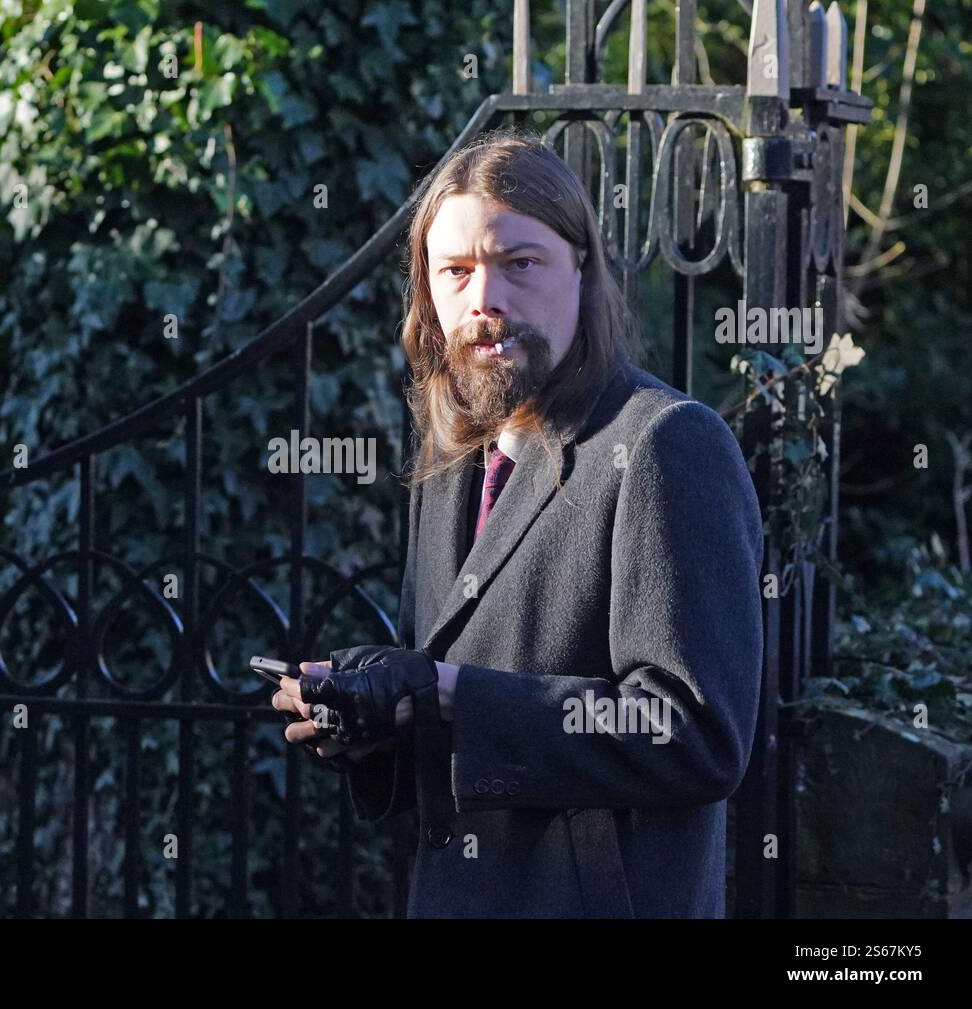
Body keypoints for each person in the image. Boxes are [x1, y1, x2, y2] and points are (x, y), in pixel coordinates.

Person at [271, 127, 764, 918]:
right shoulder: (450, 457)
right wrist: (372, 722)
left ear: (581, 268)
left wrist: (451, 694)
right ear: (427, 293)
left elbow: (696, 734)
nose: (485, 301)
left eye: (519, 264)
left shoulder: (666, 442)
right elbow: (452, 713)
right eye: (456, 271)